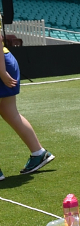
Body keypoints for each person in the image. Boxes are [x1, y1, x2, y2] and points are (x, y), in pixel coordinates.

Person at [0, 36, 56, 181]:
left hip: (2, 65)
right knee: (9, 112)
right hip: (5, 61)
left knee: (10, 112)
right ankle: (39, 153)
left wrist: (2, 72)